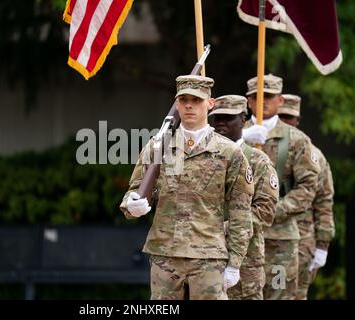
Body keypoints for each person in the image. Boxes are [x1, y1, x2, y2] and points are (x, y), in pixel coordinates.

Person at [120, 75, 254, 300]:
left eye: (196, 100)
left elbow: (241, 212)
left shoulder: (229, 152)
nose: (189, 105)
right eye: (184, 100)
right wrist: (132, 205)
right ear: (176, 103)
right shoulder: (157, 146)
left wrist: (235, 262)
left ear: (209, 104)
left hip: (208, 256)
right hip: (165, 254)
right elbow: (136, 189)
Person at [242, 74, 320, 299]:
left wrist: (274, 211)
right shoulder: (234, 137)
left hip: (279, 237)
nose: (262, 101)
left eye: (269, 96)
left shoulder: (296, 140)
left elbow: (308, 187)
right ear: (248, 101)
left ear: (280, 101)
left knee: (279, 294)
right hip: (240, 235)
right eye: (257, 96)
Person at [209, 95, 279, 300]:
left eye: (228, 117)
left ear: (242, 119)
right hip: (206, 256)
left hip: (246, 260)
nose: (221, 122)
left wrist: (225, 226)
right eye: (217, 117)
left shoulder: (258, 161)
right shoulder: (204, 156)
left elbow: (265, 212)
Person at [278, 94, 335, 300]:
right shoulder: (261, 148)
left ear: (297, 121)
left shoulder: (314, 155)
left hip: (302, 241)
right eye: (280, 117)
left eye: (289, 118)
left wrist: (323, 245)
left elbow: (324, 201)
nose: (285, 122)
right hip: (271, 240)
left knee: (295, 295)